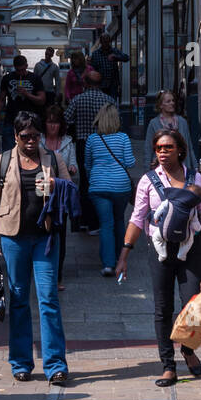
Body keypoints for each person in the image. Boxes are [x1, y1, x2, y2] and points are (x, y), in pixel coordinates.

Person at [0, 110, 71, 384]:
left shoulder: (53, 158)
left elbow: (71, 188)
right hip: (13, 238)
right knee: (19, 300)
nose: (31, 141)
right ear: (15, 136)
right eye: (26, 136)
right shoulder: (2, 161)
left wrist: (56, 184)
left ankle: (55, 365)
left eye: (36, 136)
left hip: (45, 238)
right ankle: (20, 362)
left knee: (49, 300)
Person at [116, 130, 201, 385]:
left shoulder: (194, 176)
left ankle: (188, 349)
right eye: (158, 148)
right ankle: (168, 365)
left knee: (193, 303)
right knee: (162, 308)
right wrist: (124, 254)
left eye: (168, 147)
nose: (163, 152)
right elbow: (137, 217)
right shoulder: (148, 180)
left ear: (180, 149)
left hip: (190, 246)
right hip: (160, 249)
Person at [82, 102, 135, 276]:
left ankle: (108, 264)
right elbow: (130, 162)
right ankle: (121, 260)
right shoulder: (123, 138)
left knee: (106, 224)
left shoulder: (92, 139)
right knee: (119, 221)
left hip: (98, 186)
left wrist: (95, 178)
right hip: (121, 186)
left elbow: (87, 164)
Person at [64, 78, 116, 231]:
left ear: (85, 84)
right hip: (104, 143)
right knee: (101, 180)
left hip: (83, 143)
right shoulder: (109, 100)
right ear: (100, 84)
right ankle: (100, 219)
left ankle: (86, 220)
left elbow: (66, 118)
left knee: (86, 182)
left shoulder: (78, 99)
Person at [43, 104, 78, 291]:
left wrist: (72, 168)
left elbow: (74, 165)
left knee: (59, 235)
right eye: (49, 122)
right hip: (41, 195)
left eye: (56, 123)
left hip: (60, 196)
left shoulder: (68, 142)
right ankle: (43, 272)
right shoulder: (38, 141)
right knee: (42, 235)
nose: (53, 126)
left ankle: (57, 276)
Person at [0, 54, 46, 151]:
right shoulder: (7, 79)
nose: (20, 73)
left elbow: (42, 100)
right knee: (9, 151)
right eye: (18, 70)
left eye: (22, 70)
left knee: (28, 151)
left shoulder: (35, 78)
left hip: (30, 122)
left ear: (26, 66)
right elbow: (1, 100)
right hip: (11, 119)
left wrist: (27, 94)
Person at [144, 90, 196, 170]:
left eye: (173, 100)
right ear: (161, 105)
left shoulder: (182, 122)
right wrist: (147, 171)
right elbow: (148, 149)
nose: (172, 103)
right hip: (162, 168)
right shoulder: (154, 123)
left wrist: (195, 167)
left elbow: (188, 145)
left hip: (182, 167)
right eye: (168, 101)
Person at [90, 32, 129, 103]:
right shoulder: (95, 54)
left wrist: (116, 57)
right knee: (102, 103)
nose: (106, 43)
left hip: (113, 84)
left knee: (112, 103)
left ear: (110, 41)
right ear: (101, 42)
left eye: (107, 41)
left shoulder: (114, 51)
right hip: (101, 85)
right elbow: (93, 69)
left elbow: (126, 58)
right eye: (104, 41)